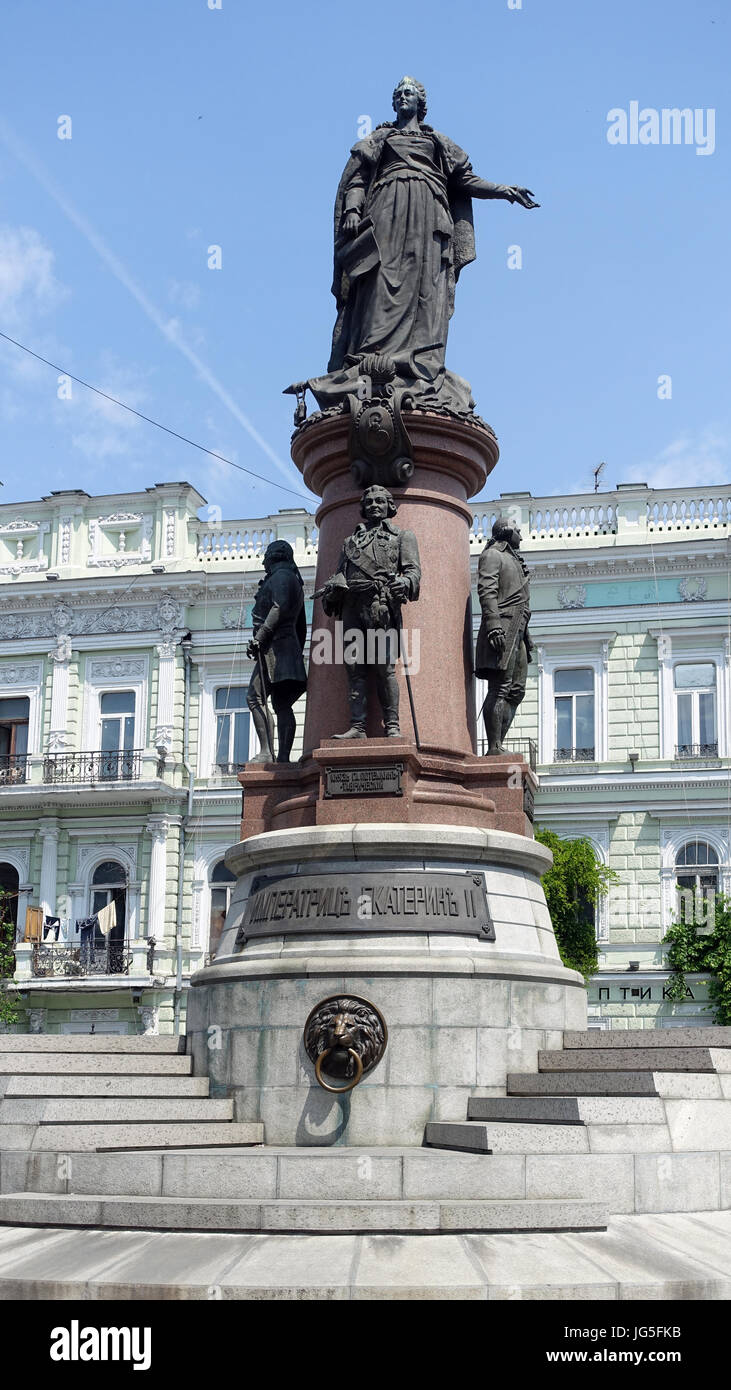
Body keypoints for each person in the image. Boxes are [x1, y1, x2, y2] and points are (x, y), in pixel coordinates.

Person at [327, 76, 538, 412]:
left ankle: (421, 366)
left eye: (408, 92)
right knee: (381, 282)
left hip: (430, 219)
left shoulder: (438, 142)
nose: (402, 97)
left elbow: (465, 180)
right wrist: (353, 208)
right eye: (397, 94)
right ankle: (371, 364)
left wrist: (504, 191)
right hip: (387, 211)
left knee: (427, 290)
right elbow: (358, 178)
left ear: (420, 102)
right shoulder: (381, 138)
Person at [322, 486, 421, 739]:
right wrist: (334, 587)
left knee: (383, 667)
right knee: (355, 670)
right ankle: (358, 727)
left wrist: (404, 583)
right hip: (352, 606)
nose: (374, 505)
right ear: (363, 508)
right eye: (369, 502)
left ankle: (393, 726)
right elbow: (339, 574)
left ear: (390, 506)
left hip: (380, 606)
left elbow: (413, 573)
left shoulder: (402, 537)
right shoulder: (349, 543)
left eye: (380, 501)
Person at [475, 516, 533, 755]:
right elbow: (487, 591)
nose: (521, 534)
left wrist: (527, 638)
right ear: (507, 532)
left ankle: (499, 742)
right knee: (500, 687)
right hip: (504, 627)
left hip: (519, 629)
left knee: (517, 690)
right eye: (517, 530)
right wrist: (494, 626)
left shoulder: (514, 560)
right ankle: (494, 747)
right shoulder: (492, 556)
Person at [246, 541, 307, 763]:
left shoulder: (281, 576)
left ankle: (267, 753)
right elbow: (301, 625)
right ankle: (281, 757)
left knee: (254, 697)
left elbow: (278, 606)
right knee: (282, 704)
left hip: (276, 648)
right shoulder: (292, 579)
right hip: (286, 647)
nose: (263, 560)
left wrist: (260, 637)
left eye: (266, 555)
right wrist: (296, 650)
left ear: (275, 555)